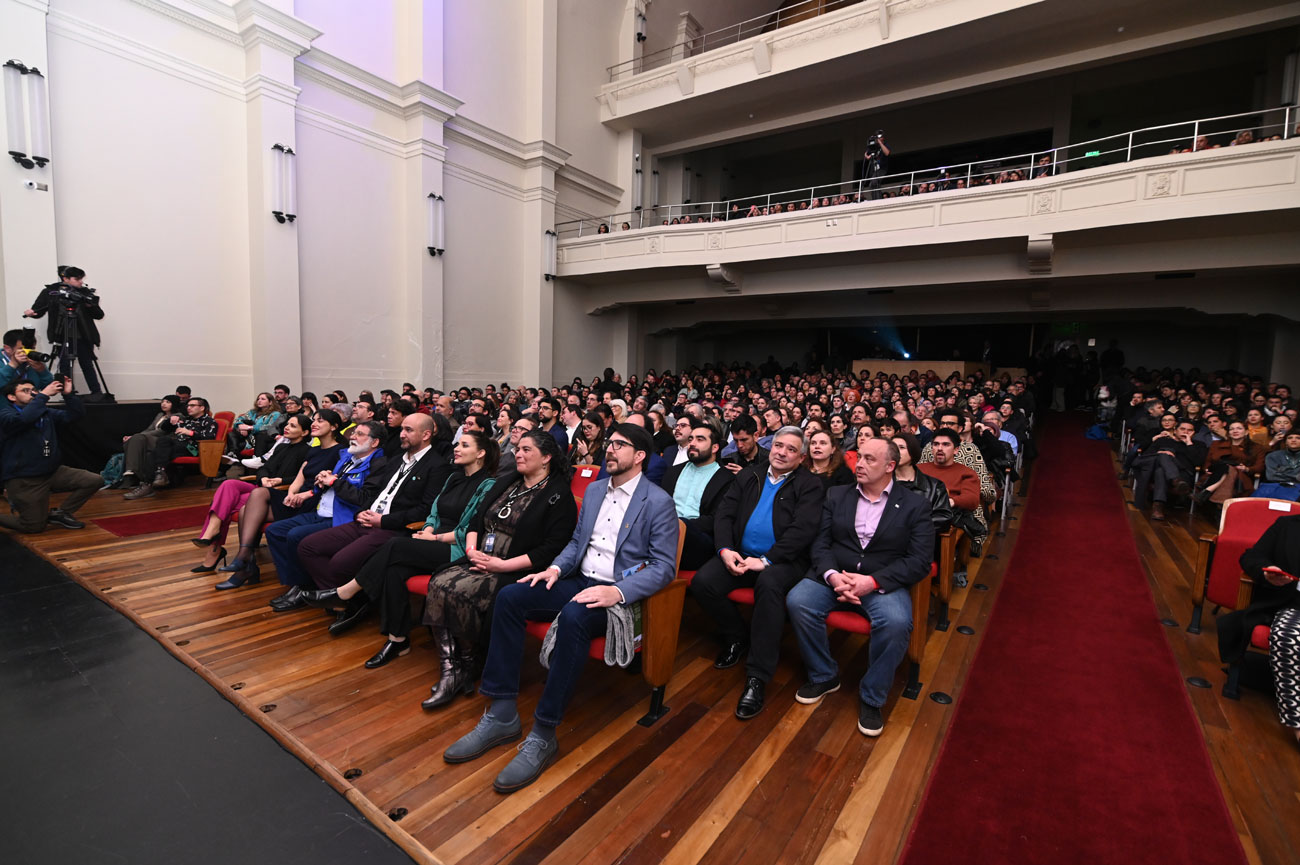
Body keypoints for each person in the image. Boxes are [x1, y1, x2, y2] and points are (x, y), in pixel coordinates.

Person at [439, 424, 678, 794]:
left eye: (619, 445)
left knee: (575, 617)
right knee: (511, 597)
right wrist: (553, 570)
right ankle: (502, 712)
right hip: (579, 579)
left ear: (640, 456)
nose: (609, 450)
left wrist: (618, 593)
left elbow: (664, 566)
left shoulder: (658, 501)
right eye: (608, 443)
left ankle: (544, 733)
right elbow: (575, 543)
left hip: (614, 593)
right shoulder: (597, 489)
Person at [398, 430, 576, 707]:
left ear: (547, 458)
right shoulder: (507, 482)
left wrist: (502, 564)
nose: (518, 453)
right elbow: (475, 523)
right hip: (479, 556)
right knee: (439, 581)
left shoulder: (557, 495)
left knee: (459, 590)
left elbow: (550, 549)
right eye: (517, 449)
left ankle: (465, 666)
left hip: (512, 566)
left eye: (527, 450)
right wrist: (471, 551)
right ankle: (454, 668)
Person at [785, 437, 934, 737]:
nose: (859, 464)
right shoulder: (837, 495)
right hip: (837, 574)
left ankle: (872, 696)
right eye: (859, 457)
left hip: (881, 580)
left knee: (896, 622)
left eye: (869, 459)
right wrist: (831, 575)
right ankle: (824, 674)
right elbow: (821, 542)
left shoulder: (914, 504)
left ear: (891, 466)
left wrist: (873, 582)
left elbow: (919, 560)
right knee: (798, 601)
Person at [690, 426, 825, 719]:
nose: (782, 452)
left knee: (769, 585)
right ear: (770, 446)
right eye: (779, 445)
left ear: (801, 458)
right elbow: (724, 514)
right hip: (740, 553)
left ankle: (757, 676)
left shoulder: (810, 485)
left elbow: (803, 531)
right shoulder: (750, 474)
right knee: (703, 583)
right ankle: (737, 637)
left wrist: (766, 560)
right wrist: (725, 550)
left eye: (791, 449)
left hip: (784, 562)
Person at [286, 414, 453, 614]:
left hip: (392, 528)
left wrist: (383, 520)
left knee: (339, 562)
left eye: (409, 430)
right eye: (402, 429)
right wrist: (361, 513)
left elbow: (425, 510)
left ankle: (349, 598)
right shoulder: (395, 461)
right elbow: (372, 495)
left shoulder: (437, 466)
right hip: (366, 520)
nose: (402, 435)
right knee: (308, 547)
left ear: (426, 434)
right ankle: (346, 601)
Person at [220, 414, 382, 591]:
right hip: (309, 499)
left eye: (359, 434)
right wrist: (294, 491)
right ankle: (253, 564)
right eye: (354, 433)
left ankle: (255, 565)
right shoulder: (340, 455)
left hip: (328, 510)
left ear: (334, 426)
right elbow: (303, 476)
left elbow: (354, 492)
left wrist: (313, 489)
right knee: (252, 512)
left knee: (261, 506)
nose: (352, 436)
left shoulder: (349, 454)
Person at [188, 413, 313, 571]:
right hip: (263, 487)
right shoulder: (282, 447)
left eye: (293, 426)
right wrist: (264, 478)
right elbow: (264, 468)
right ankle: (214, 532)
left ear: (305, 432)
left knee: (225, 504)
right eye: (287, 424)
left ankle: (215, 544)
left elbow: (303, 477)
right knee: (229, 484)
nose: (287, 427)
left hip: (278, 493)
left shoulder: (308, 451)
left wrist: (280, 481)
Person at [1219, 513, 1300, 746]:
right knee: (1288, 636)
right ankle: (1298, 725)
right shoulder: (1287, 526)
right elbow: (1252, 556)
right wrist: (1266, 572)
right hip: (1292, 604)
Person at [0, 377, 102, 532]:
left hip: (52, 472)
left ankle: (61, 513)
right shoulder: (6, 414)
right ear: (12, 397)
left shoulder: (44, 412)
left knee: (94, 480)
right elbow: (23, 420)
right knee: (33, 526)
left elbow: (75, 415)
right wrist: (43, 395)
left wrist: (68, 395)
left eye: (34, 390)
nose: (32, 393)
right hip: (24, 478)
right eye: (25, 391)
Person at [660, 420, 734, 569]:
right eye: (691, 439)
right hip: (663, 531)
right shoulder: (673, 472)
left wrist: (679, 525)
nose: (692, 443)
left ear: (715, 447)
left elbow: (716, 520)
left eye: (700, 439)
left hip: (699, 539)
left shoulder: (726, 479)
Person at [23, 266, 105, 395]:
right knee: (64, 366)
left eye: (81, 279)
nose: (81, 282)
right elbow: (38, 310)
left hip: (83, 335)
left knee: (87, 364)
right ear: (65, 278)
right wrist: (32, 313)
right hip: (61, 334)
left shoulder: (84, 293)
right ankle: (68, 394)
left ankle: (96, 393)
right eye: (77, 279)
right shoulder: (51, 292)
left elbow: (99, 315)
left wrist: (90, 305)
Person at [122, 396, 219, 499]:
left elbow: (209, 438)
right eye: (188, 405)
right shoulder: (186, 420)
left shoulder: (209, 421)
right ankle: (151, 482)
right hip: (178, 446)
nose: (188, 408)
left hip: (194, 448)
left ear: (202, 408)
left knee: (163, 442)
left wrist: (190, 432)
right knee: (154, 453)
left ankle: (153, 479)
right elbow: (165, 428)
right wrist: (170, 420)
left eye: (192, 405)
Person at [1132, 419, 1206, 519]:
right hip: (1166, 475)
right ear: (1175, 430)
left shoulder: (1198, 445)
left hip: (1184, 474)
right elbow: (1147, 456)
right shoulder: (1163, 440)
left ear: (1194, 433)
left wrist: (1189, 443)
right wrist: (1161, 454)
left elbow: (1198, 463)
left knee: (1161, 470)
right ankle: (1175, 481)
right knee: (1163, 462)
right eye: (1182, 429)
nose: (1185, 432)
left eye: (1189, 430)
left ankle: (1158, 507)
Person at [225, 392, 282, 460]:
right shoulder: (253, 412)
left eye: (263, 399)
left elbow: (269, 427)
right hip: (247, 438)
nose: (259, 401)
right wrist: (241, 426)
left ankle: (232, 455)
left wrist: (250, 427)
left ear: (270, 402)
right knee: (231, 434)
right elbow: (238, 420)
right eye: (258, 399)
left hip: (259, 440)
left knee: (236, 445)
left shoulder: (275, 414)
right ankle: (232, 453)